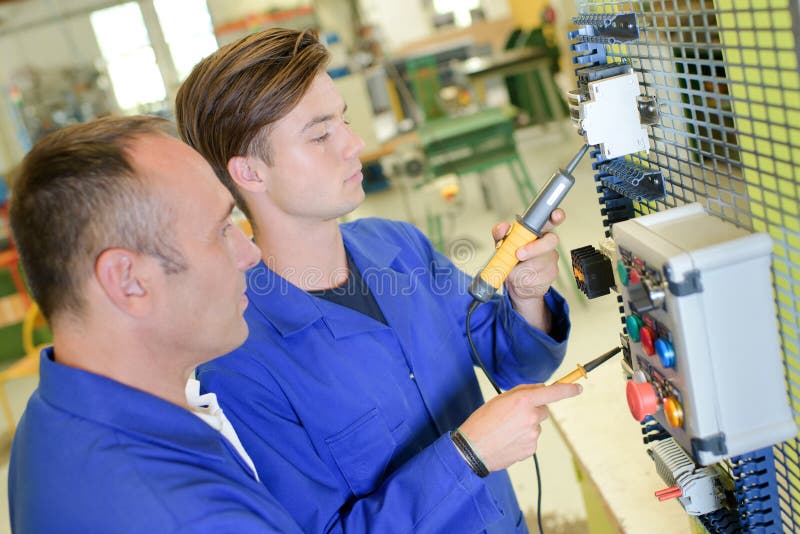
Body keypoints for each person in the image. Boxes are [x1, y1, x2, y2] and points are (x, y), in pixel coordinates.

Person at [175, 28, 581, 533]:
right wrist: (468, 455)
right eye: (321, 135)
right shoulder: (238, 364)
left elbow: (518, 365)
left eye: (342, 120)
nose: (355, 144)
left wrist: (526, 294)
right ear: (250, 173)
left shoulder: (399, 248)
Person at [7, 116, 304, 533]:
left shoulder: (52, 414)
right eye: (221, 230)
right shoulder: (189, 516)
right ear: (128, 281)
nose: (249, 252)